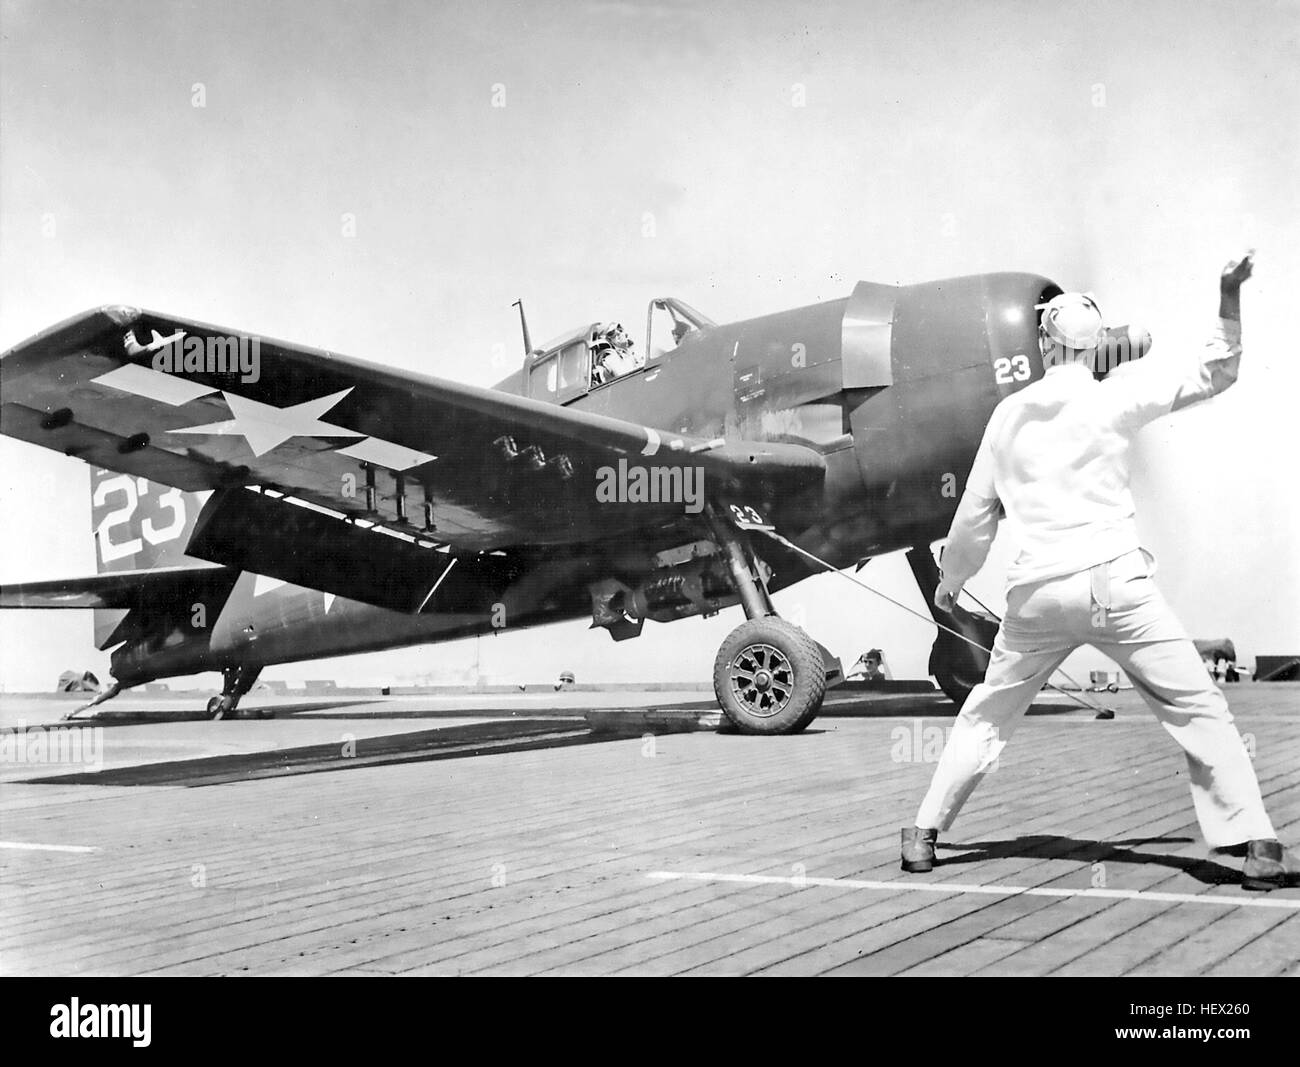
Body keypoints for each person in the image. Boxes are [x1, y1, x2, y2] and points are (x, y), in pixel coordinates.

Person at [900, 251, 1298, 891]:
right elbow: (1216, 372)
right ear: (1097, 346)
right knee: (1198, 708)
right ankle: (1258, 845)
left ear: (1042, 342)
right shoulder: (1116, 399)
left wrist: (951, 583)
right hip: (1117, 583)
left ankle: (923, 835)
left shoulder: (1007, 417)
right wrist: (1228, 292)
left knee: (986, 714)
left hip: (1035, 595)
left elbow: (975, 520)